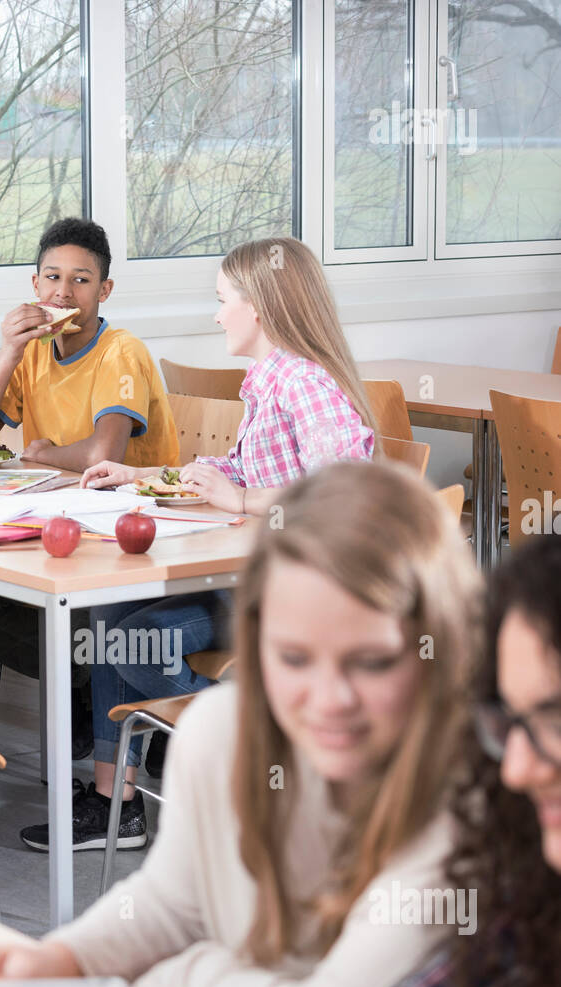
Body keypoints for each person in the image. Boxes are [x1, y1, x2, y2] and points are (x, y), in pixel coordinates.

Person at [49, 533, 561, 987]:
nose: (516, 766)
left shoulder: (453, 802)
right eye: (509, 722)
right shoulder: (541, 892)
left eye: (553, 720)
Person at [0, 462, 481, 987]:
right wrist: (64, 959)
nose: (329, 699)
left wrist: (175, 984)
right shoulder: (220, 735)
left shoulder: (464, 805)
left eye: (371, 662)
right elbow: (174, 905)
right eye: (293, 657)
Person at [22, 235, 378, 851]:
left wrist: (240, 503)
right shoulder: (268, 381)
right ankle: (121, 806)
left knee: (134, 645)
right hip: (245, 582)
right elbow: (231, 473)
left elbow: (336, 492)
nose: (216, 316)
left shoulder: (306, 384)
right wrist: (140, 476)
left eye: (223, 301)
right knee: (111, 619)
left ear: (259, 306)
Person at [0, 216, 179, 764]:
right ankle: (89, 683)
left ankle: (104, 700)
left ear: (104, 290)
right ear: (35, 286)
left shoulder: (121, 352)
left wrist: (41, 453)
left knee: (53, 603)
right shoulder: (35, 350)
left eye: (81, 280)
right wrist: (8, 354)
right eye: (52, 278)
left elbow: (103, 456)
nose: (64, 292)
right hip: (55, 517)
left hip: (126, 525)